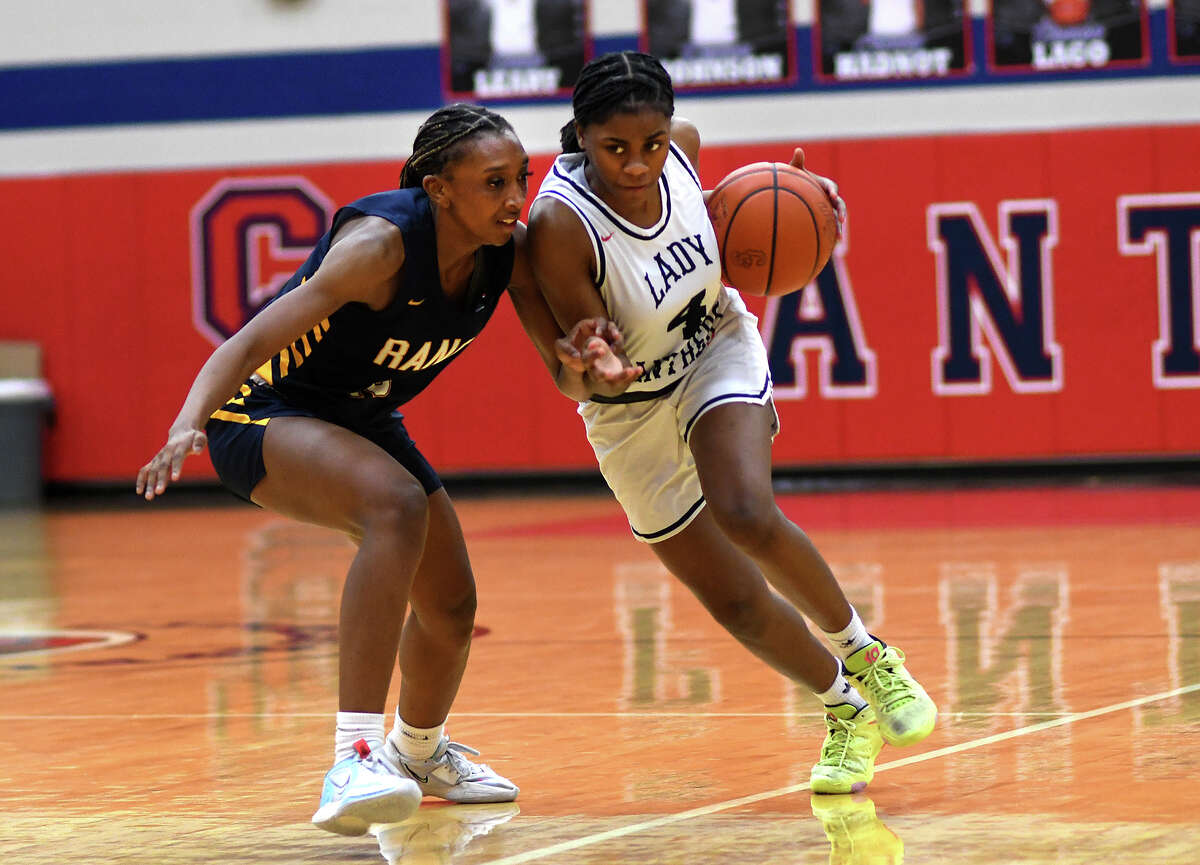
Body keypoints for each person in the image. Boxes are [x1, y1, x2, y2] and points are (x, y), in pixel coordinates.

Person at [136, 103, 626, 836]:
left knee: (452, 602)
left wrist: (595, 365)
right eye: (492, 183)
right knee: (396, 506)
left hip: (358, 415)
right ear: (438, 189)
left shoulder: (510, 252)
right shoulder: (379, 247)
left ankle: (418, 751)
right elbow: (248, 340)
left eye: (519, 179)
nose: (514, 198)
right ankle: (352, 756)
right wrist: (187, 421)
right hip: (262, 411)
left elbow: (565, 376)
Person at [527, 50, 937, 794]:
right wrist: (595, 356)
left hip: (714, 347)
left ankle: (871, 658)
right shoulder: (559, 222)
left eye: (650, 144)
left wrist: (798, 197)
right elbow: (580, 340)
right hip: (628, 408)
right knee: (736, 602)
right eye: (615, 147)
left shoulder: (679, 146)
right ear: (581, 136)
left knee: (744, 509)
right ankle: (846, 711)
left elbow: (718, 210)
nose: (637, 163)